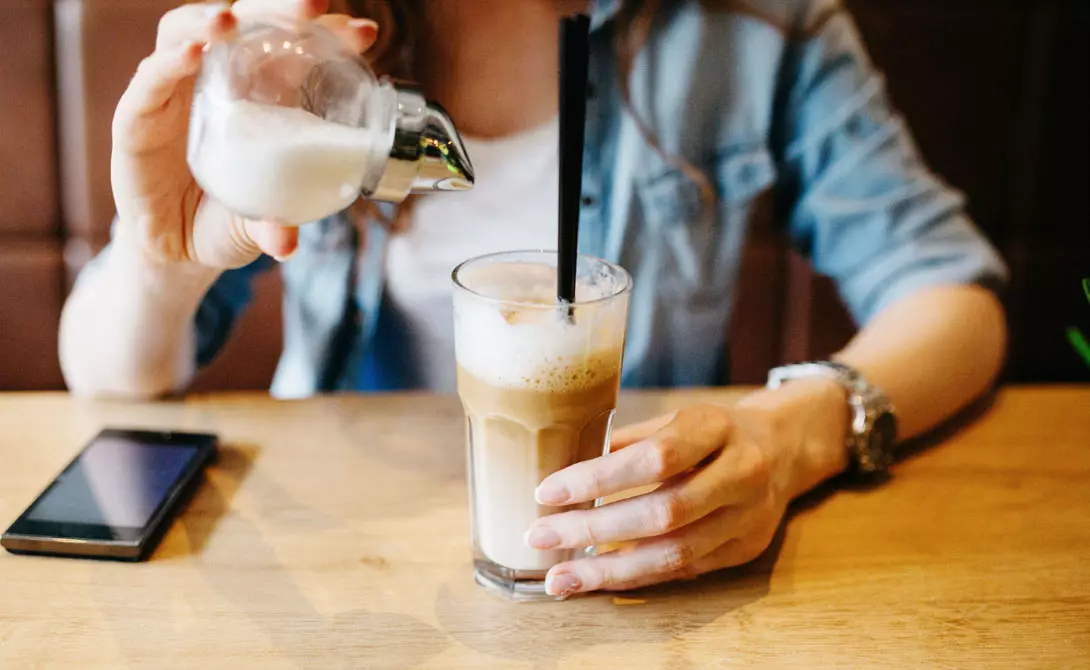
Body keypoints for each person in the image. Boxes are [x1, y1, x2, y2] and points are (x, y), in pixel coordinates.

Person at [59, 0, 1009, 597]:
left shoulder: (755, 27)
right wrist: (161, 253)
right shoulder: (306, 35)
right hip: (336, 568)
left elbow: (955, 301)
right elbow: (107, 380)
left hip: (632, 567)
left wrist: (789, 436)